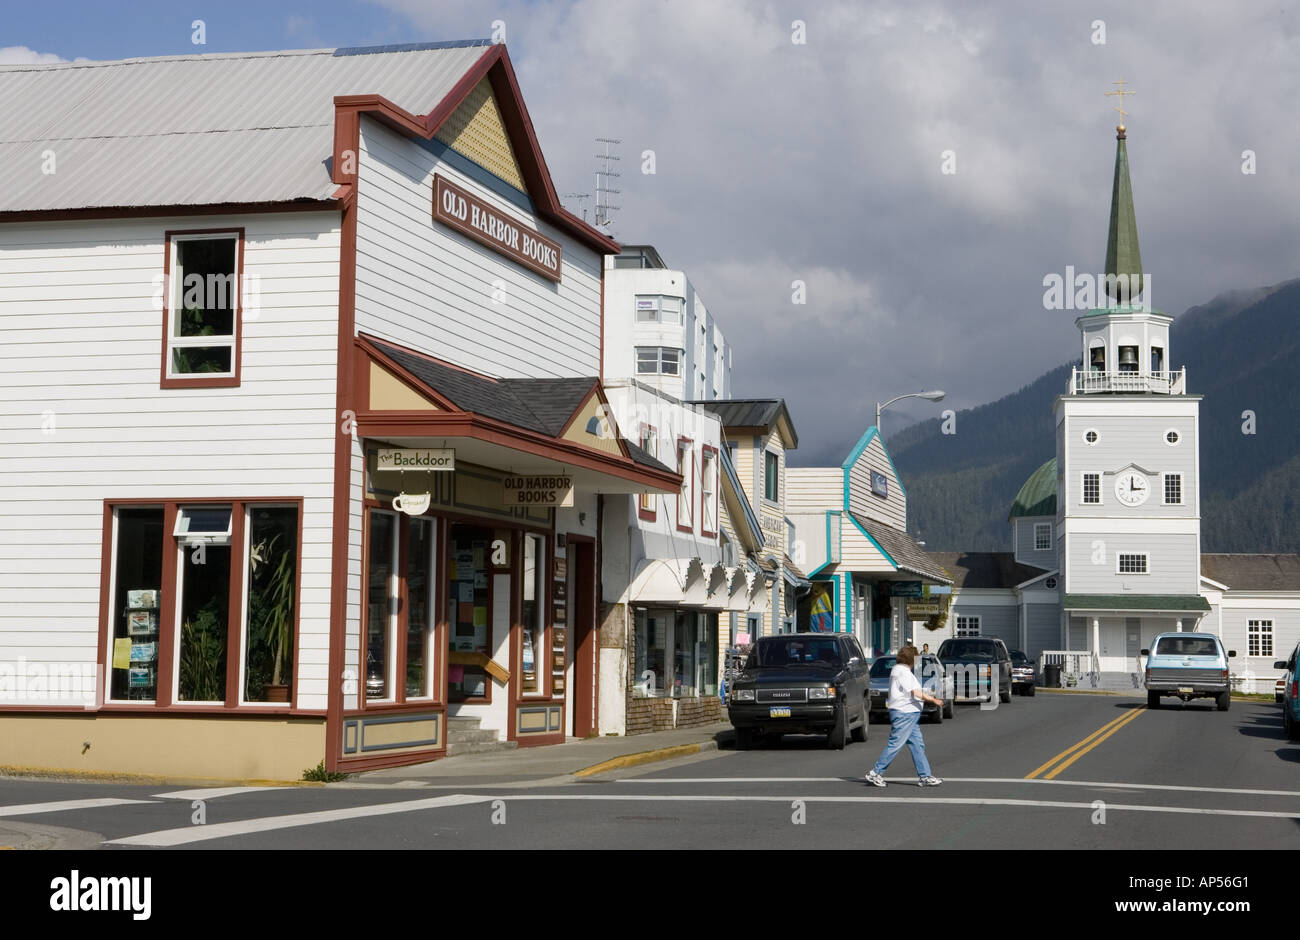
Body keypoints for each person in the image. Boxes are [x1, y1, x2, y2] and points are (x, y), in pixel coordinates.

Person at [865, 645, 943, 787]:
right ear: (912, 659)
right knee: (895, 744)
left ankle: (925, 775)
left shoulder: (898, 670)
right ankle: (875, 772)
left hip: (908, 714)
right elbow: (915, 692)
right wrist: (933, 699)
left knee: (917, 745)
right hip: (905, 714)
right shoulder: (903, 673)